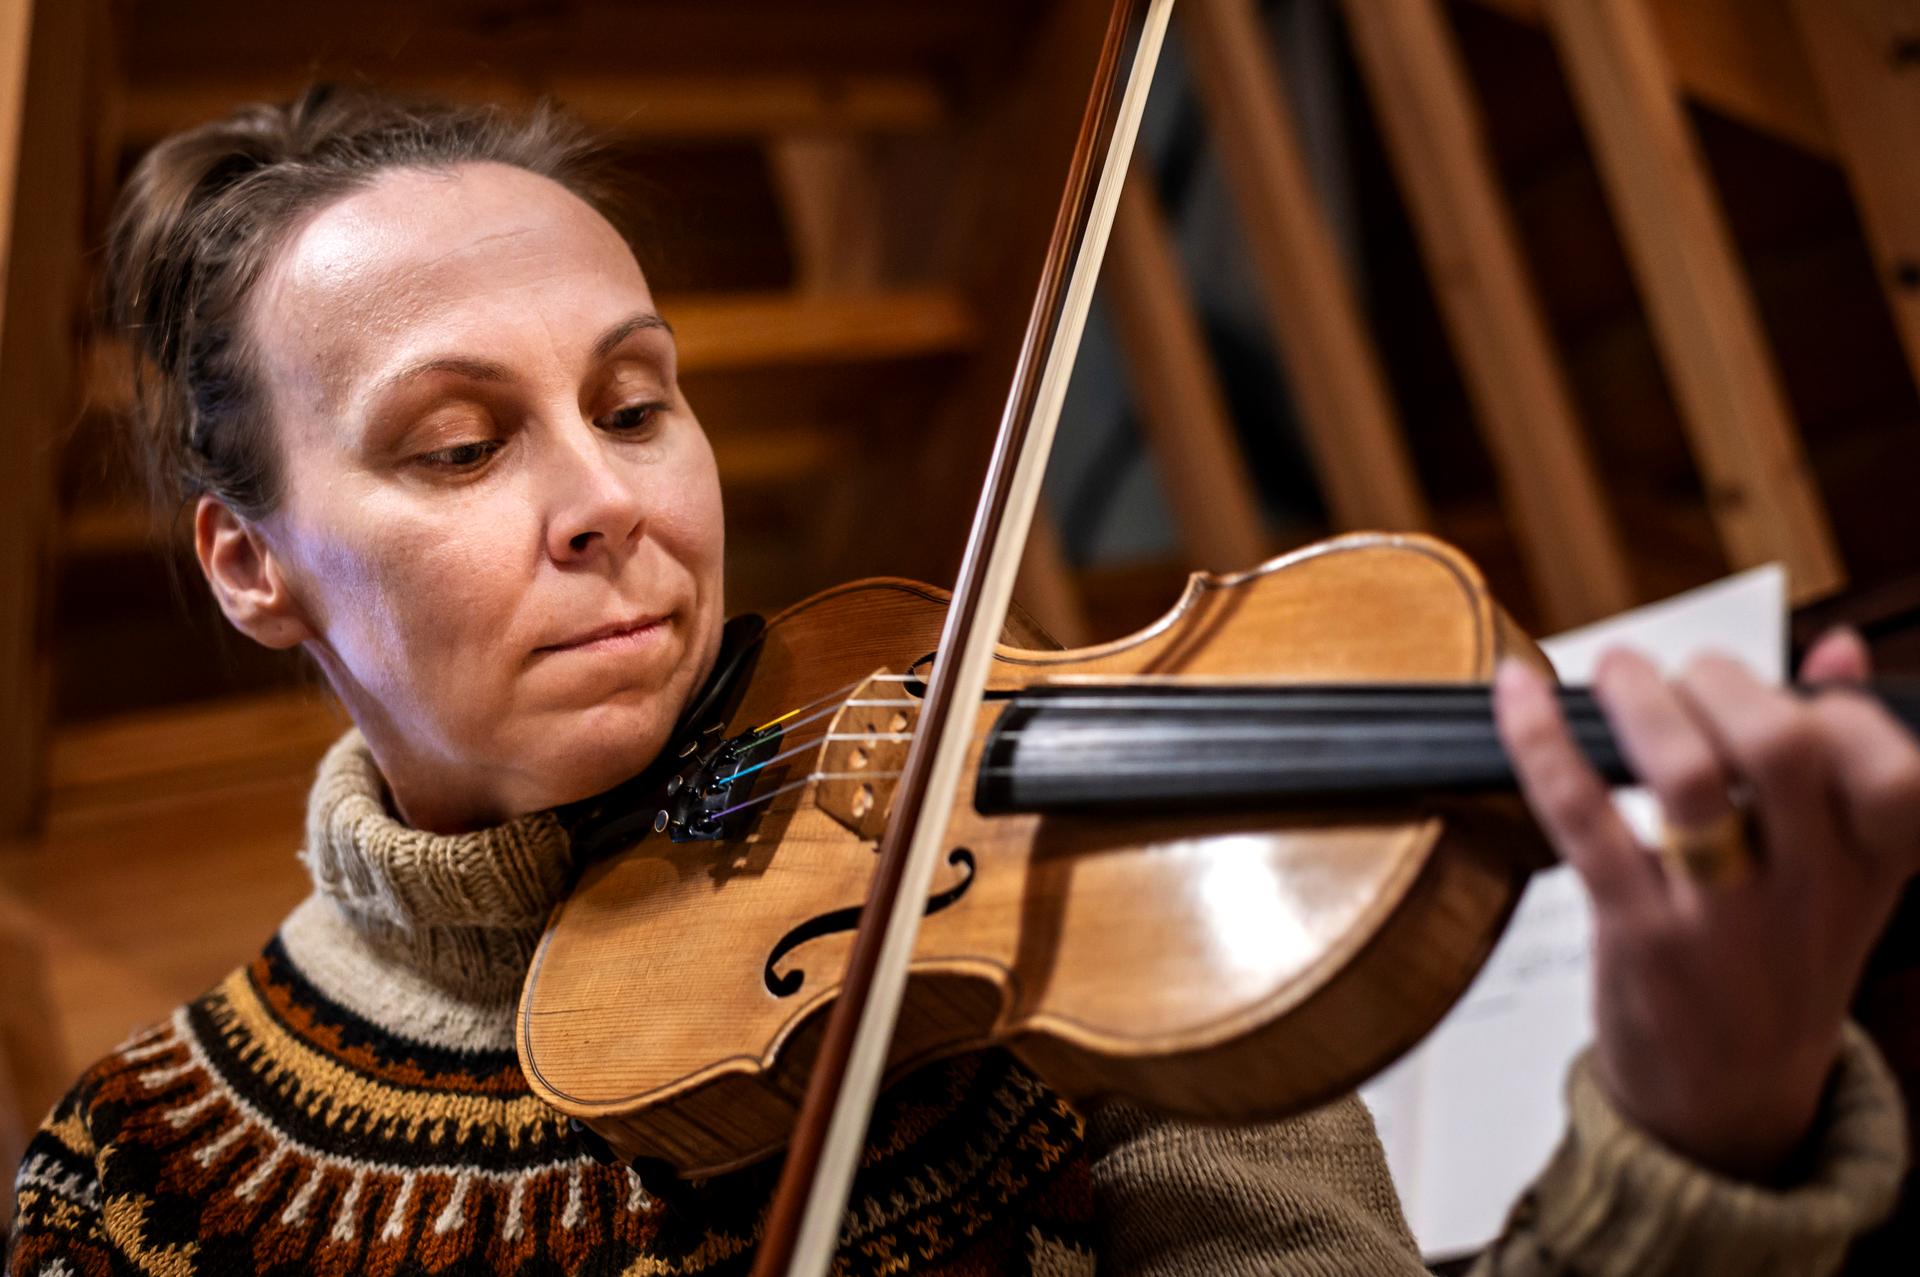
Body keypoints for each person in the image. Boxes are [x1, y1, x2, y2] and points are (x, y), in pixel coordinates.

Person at [6, 88, 1915, 1277]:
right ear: (252, 565)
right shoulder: (136, 1182)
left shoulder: (1044, 917)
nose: (609, 503)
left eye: (636, 401)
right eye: (455, 446)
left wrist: (1694, 1137)